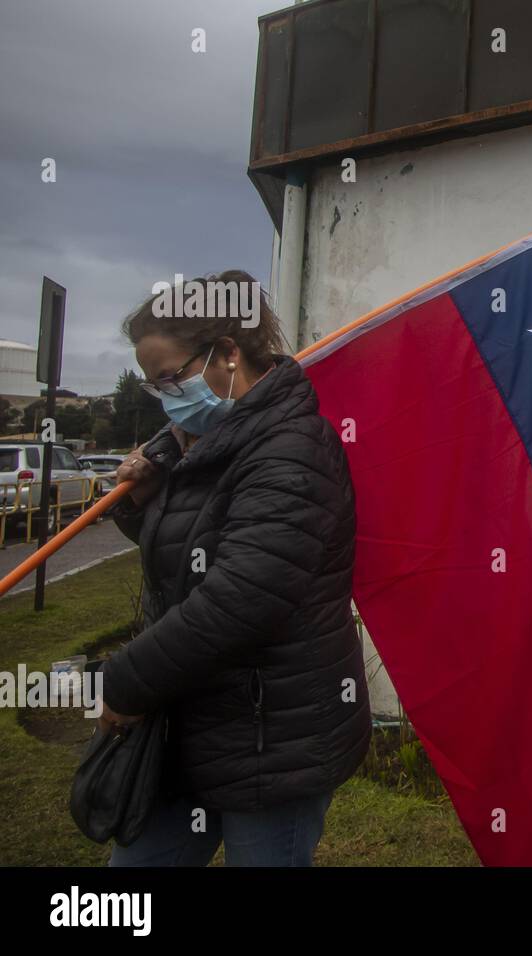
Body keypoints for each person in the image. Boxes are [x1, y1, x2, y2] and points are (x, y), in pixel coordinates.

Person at [98, 270, 371, 866]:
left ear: (225, 353)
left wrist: (124, 682)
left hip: (273, 739)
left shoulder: (292, 448)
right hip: (186, 722)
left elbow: (239, 598)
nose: (165, 397)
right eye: (153, 385)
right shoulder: (203, 444)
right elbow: (191, 560)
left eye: (170, 378)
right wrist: (144, 505)